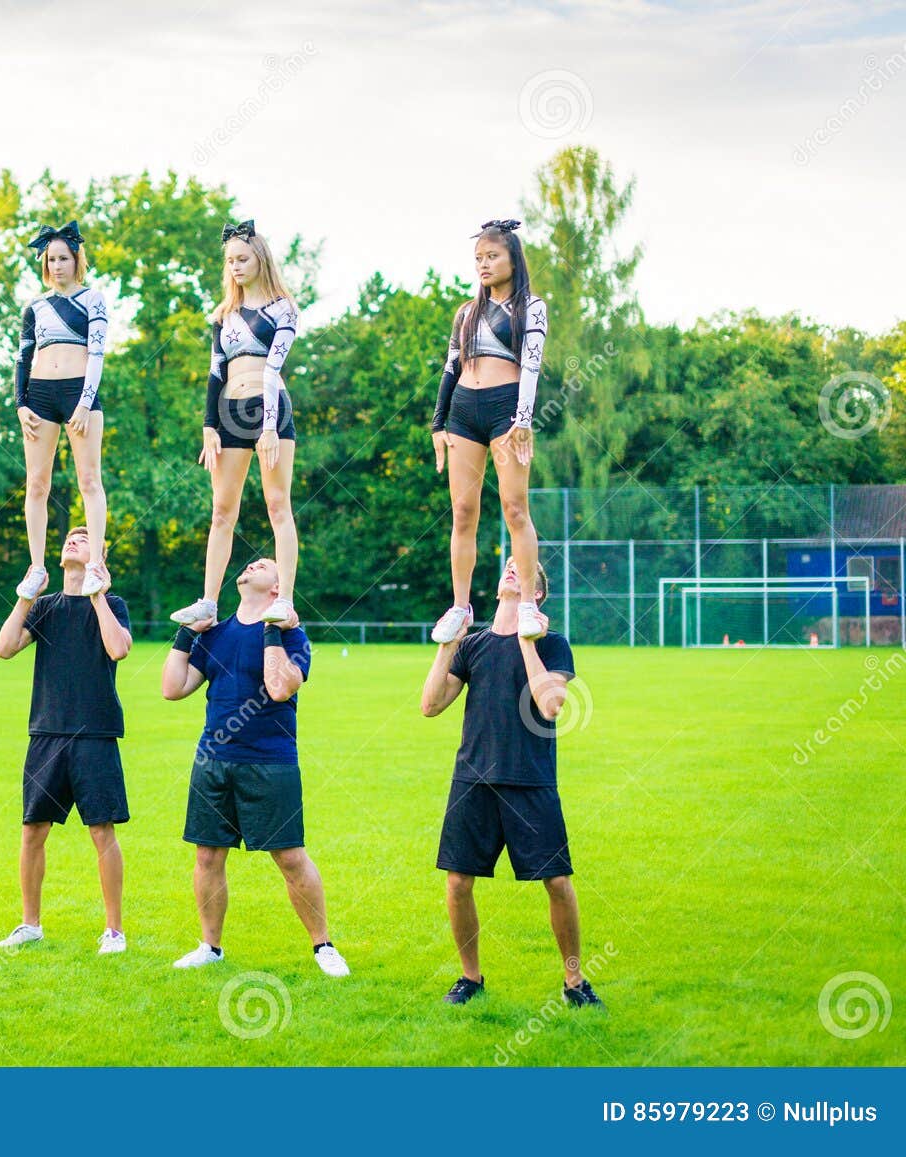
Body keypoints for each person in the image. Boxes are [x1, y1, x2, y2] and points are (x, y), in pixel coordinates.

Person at [419, 556, 602, 1008]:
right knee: (458, 882)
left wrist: (527, 640)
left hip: (530, 779)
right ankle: (470, 978)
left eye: (524, 567)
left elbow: (550, 705)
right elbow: (430, 706)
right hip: (473, 778)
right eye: (509, 565)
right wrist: (447, 645)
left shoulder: (553, 644)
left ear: (536, 595)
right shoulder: (473, 645)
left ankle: (575, 982)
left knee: (557, 883)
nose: (512, 567)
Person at [161, 556, 349, 977]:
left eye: (263, 564)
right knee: (208, 855)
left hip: (270, 762)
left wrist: (271, 629)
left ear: (278, 587)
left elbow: (279, 688)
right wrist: (188, 632)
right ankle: (210, 947)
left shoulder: (293, 635)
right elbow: (172, 688)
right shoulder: (216, 634)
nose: (250, 566)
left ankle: (323, 946)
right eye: (249, 564)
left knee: (290, 857)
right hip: (213, 759)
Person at [0, 525, 132, 954]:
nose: (72, 539)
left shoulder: (112, 604)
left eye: (84, 537)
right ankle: (30, 925)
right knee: (32, 831)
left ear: (100, 556)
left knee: (102, 831)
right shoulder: (45, 606)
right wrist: (25, 596)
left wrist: (97, 595)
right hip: (46, 732)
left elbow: (118, 649)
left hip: (95, 732)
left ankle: (114, 931)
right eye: (70, 536)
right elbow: (4, 648)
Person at [171, 220, 303, 629]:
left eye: (242, 259)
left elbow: (273, 368)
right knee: (222, 511)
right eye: (230, 261)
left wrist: (269, 428)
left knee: (277, 504)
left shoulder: (283, 309)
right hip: (229, 413)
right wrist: (208, 425)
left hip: (270, 411)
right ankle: (208, 602)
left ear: (260, 259)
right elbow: (215, 371)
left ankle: (284, 599)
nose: (236, 267)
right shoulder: (223, 314)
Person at [429, 219, 548, 645]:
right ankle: (460, 607)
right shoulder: (466, 312)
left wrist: (523, 418)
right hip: (464, 412)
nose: (483, 264)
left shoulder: (531, 307)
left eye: (492, 256)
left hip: (505, 410)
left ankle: (528, 604)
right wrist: (438, 423)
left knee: (514, 508)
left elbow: (531, 365)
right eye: (478, 258)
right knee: (463, 511)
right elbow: (451, 366)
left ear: (512, 260)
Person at [13, 221, 111, 602]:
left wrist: (86, 401)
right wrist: (21, 403)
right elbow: (22, 357)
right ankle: (37, 567)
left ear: (76, 260)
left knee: (89, 480)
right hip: (39, 395)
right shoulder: (35, 307)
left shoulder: (93, 299)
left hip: (78, 393)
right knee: (37, 484)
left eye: (63, 259)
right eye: (51, 259)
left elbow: (97, 353)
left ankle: (95, 564)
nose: (57, 266)